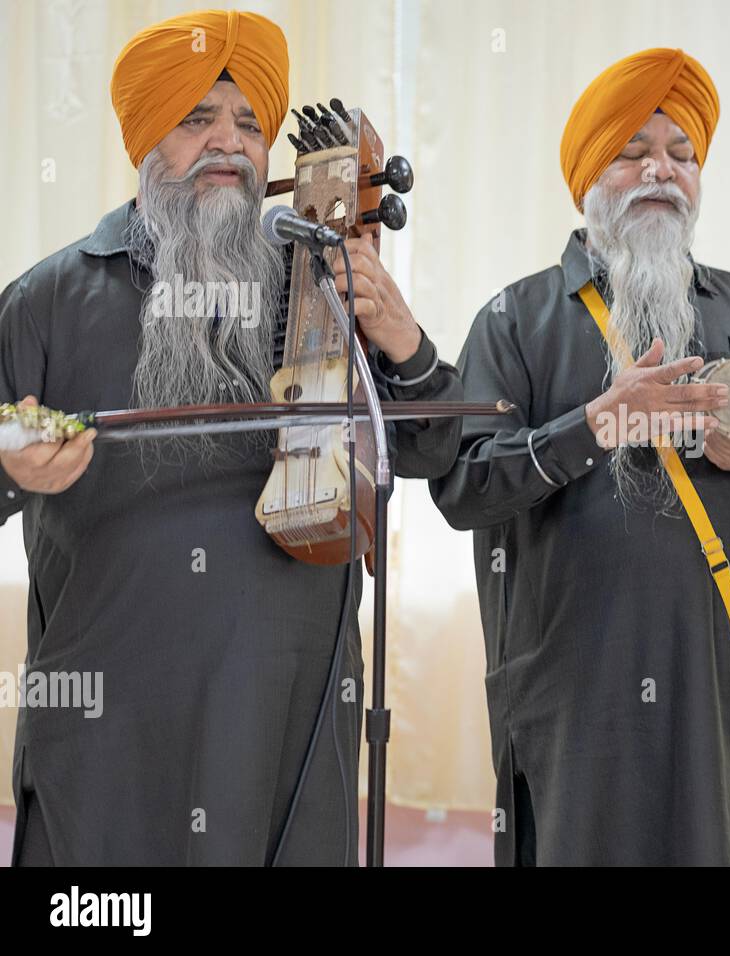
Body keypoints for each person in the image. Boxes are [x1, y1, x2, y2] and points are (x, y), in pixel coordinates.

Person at [0, 9, 462, 865]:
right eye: (196, 118)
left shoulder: (321, 277)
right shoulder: (49, 300)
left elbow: (439, 458)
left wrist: (407, 342)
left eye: (250, 122)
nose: (229, 142)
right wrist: (10, 462)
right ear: (146, 141)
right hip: (111, 737)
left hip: (288, 726)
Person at [430, 48, 730, 865]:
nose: (662, 170)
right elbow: (463, 486)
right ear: (589, 174)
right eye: (634, 152)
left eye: (682, 154)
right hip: (574, 710)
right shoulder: (517, 321)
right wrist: (595, 425)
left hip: (722, 704)